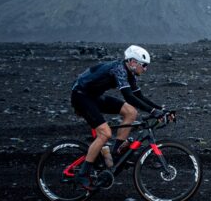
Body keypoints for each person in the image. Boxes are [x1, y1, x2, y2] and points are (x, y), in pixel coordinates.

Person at [70, 45, 172, 189]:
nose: (145, 69)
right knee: (105, 133)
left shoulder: (129, 74)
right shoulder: (119, 69)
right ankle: (82, 174)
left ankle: (116, 152)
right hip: (81, 96)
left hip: (94, 97)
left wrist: (161, 110)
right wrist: (152, 112)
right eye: (144, 65)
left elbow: (139, 96)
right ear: (132, 62)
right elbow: (129, 97)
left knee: (131, 112)